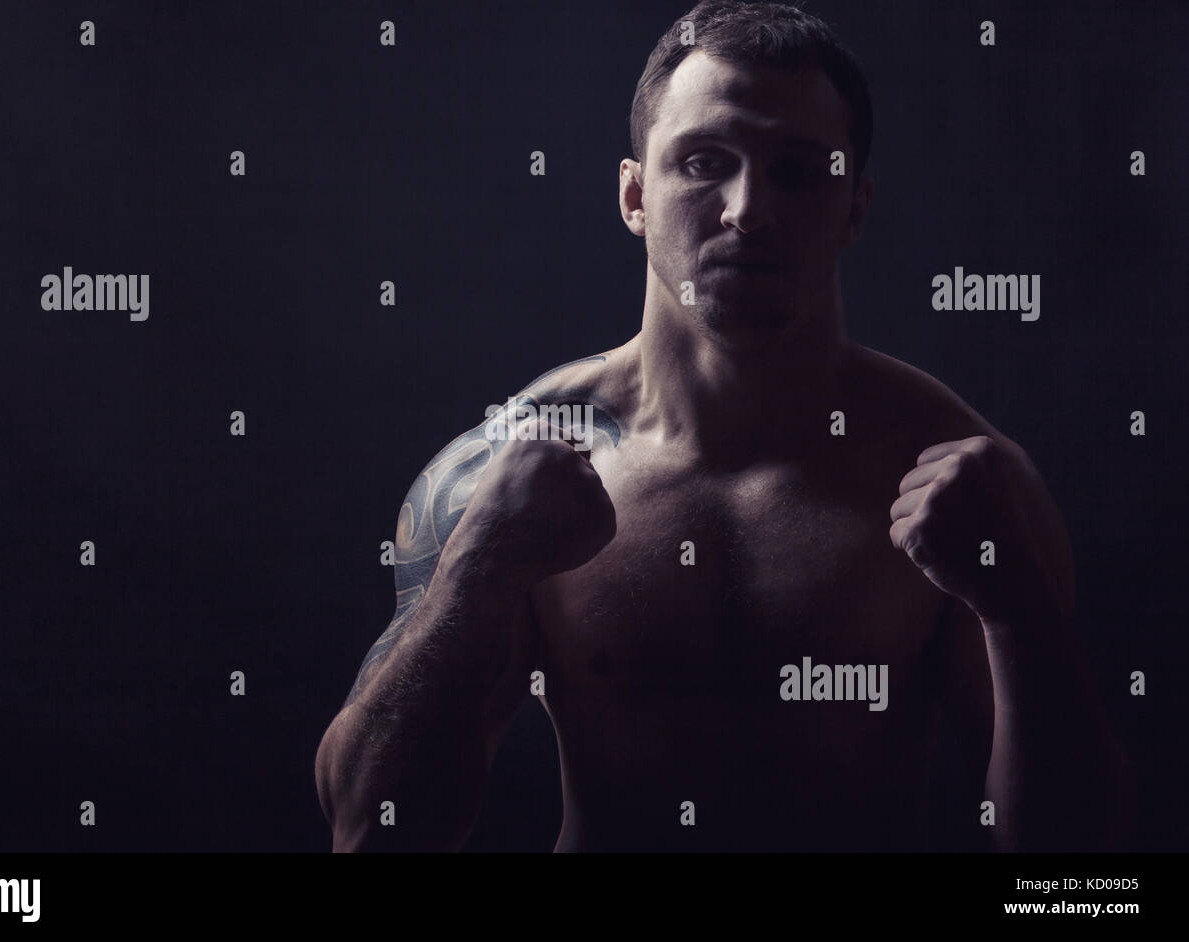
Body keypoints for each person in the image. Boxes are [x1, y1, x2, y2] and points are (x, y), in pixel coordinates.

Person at [314, 0, 1134, 851]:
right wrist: (479, 566)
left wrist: (1017, 610)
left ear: (854, 204)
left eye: (798, 170)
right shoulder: (504, 475)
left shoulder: (963, 482)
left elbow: (1071, 881)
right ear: (635, 195)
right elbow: (372, 832)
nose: (749, 209)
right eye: (705, 162)